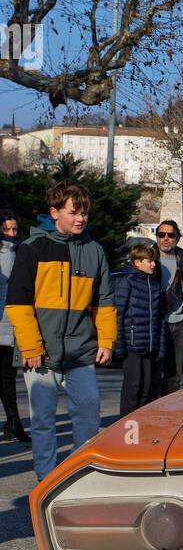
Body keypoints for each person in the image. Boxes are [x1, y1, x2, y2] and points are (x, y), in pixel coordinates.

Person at [4, 182, 115, 480]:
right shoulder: (32, 248)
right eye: (73, 212)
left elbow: (104, 302)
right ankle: (46, 478)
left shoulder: (95, 251)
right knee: (42, 421)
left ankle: (80, 476)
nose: (81, 219)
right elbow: (17, 303)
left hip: (80, 352)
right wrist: (30, 349)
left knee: (89, 413)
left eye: (85, 213)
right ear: (54, 212)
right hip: (40, 354)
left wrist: (106, 341)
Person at [114, 243, 166, 416]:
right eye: (149, 261)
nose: (153, 264)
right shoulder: (127, 281)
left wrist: (160, 347)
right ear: (137, 262)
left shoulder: (155, 283)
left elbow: (159, 318)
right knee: (133, 387)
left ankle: (142, 424)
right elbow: (118, 315)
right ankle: (126, 424)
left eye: (154, 261)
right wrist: (119, 345)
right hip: (133, 344)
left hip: (150, 345)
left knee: (148, 388)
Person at [154, 220, 183, 395]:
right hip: (157, 323)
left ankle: (169, 410)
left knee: (174, 374)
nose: (166, 239)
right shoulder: (149, 259)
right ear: (157, 237)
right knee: (154, 371)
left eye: (170, 235)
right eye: (161, 235)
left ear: (177, 238)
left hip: (180, 324)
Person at [0, 210, 29, 444]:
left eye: (15, 229)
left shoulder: (20, 251)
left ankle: (13, 423)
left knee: (8, 378)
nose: (12, 234)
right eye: (7, 230)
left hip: (11, 324)